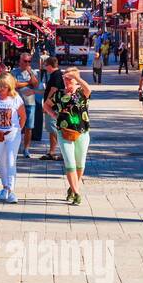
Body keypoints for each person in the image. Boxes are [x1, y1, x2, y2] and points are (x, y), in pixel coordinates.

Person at [46, 65, 92, 205]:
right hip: (64, 132)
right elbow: (46, 105)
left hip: (82, 132)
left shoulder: (81, 93)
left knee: (80, 163)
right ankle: (77, 193)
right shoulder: (59, 94)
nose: (67, 82)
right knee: (70, 162)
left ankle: (73, 188)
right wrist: (53, 114)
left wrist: (76, 77)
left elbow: (88, 89)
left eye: (70, 79)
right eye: (65, 79)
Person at [0, 72, 26, 203]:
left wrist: (18, 130)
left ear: (10, 86)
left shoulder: (16, 99)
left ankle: (11, 190)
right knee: (1, 161)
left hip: (12, 135)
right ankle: (4, 187)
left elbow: (23, 116)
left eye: (4, 86)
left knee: (11, 160)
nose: (1, 88)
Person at [13, 51, 38, 158]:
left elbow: (36, 84)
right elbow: (15, 85)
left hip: (30, 103)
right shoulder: (14, 72)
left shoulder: (34, 72)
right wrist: (28, 83)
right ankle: (15, 145)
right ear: (20, 61)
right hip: (17, 104)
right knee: (17, 126)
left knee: (29, 127)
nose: (27, 63)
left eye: (29, 61)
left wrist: (31, 73)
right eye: (25, 61)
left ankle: (26, 148)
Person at [39, 55, 64, 160]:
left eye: (46, 66)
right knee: (52, 129)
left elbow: (53, 89)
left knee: (53, 129)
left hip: (53, 107)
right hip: (54, 106)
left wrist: (46, 104)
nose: (45, 68)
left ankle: (55, 152)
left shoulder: (56, 75)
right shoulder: (56, 74)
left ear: (50, 66)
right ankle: (52, 151)